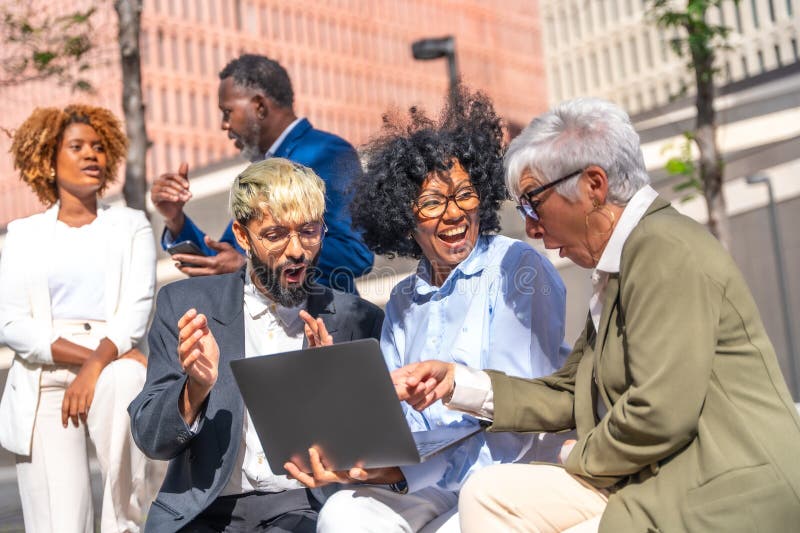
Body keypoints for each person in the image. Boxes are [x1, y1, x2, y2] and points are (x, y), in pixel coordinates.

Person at [395, 97, 800, 532]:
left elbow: (659, 413)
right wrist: (457, 383)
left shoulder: (664, 249)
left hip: (722, 489)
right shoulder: (623, 263)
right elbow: (571, 393)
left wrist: (579, 456)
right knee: (486, 495)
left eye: (533, 202)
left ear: (593, 185)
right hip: (657, 480)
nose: (531, 227)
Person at [284, 89, 571, 532]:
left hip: (504, 477)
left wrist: (406, 473)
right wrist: (337, 392)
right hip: (430, 479)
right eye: (433, 203)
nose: (454, 214)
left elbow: (520, 418)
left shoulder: (516, 268)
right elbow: (397, 422)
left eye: (465, 195)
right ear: (406, 220)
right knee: (341, 514)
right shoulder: (403, 299)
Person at [129, 157, 385, 532]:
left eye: (309, 231)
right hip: (203, 511)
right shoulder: (186, 306)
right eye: (276, 234)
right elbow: (153, 440)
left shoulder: (357, 320)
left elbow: (375, 457)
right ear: (242, 235)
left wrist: (328, 387)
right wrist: (195, 389)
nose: (297, 250)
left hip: (306, 509)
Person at [0, 105, 161, 532]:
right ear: (48, 160)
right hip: (44, 376)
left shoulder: (131, 225)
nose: (92, 154)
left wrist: (97, 365)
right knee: (60, 522)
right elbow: (11, 324)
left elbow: (136, 310)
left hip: (113, 364)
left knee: (127, 380)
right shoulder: (24, 234)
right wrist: (88, 360)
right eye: (77, 147)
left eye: (98, 147)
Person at [150, 53, 373, 293]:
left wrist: (254, 264)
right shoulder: (262, 170)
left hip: (319, 315)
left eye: (227, 112)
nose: (224, 125)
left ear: (259, 106)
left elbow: (356, 254)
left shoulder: (327, 152)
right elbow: (222, 260)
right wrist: (175, 219)